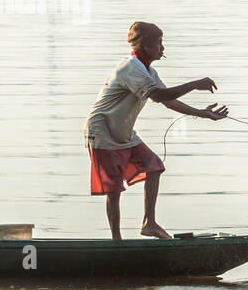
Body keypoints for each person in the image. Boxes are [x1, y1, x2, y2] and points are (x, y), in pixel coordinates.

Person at [85, 21, 228, 239]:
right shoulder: (131, 68)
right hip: (102, 130)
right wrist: (193, 85)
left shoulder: (148, 70)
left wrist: (203, 113)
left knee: (154, 166)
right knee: (113, 190)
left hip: (123, 132)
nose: (162, 48)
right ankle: (116, 242)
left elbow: (168, 101)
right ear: (145, 46)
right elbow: (160, 96)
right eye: (159, 43)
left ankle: (148, 223)